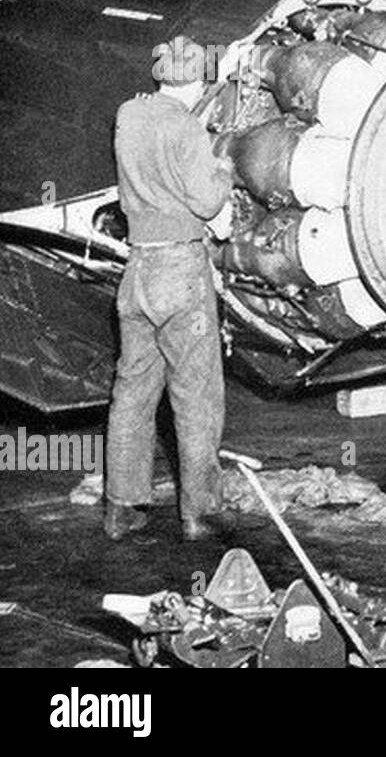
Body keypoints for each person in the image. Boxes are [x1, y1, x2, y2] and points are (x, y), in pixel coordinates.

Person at [104, 36, 233, 542]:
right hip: (181, 270)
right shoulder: (187, 128)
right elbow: (205, 201)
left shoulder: (128, 115)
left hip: (136, 272)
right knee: (196, 392)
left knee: (133, 392)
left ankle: (121, 508)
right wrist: (221, 169)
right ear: (198, 81)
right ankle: (198, 513)